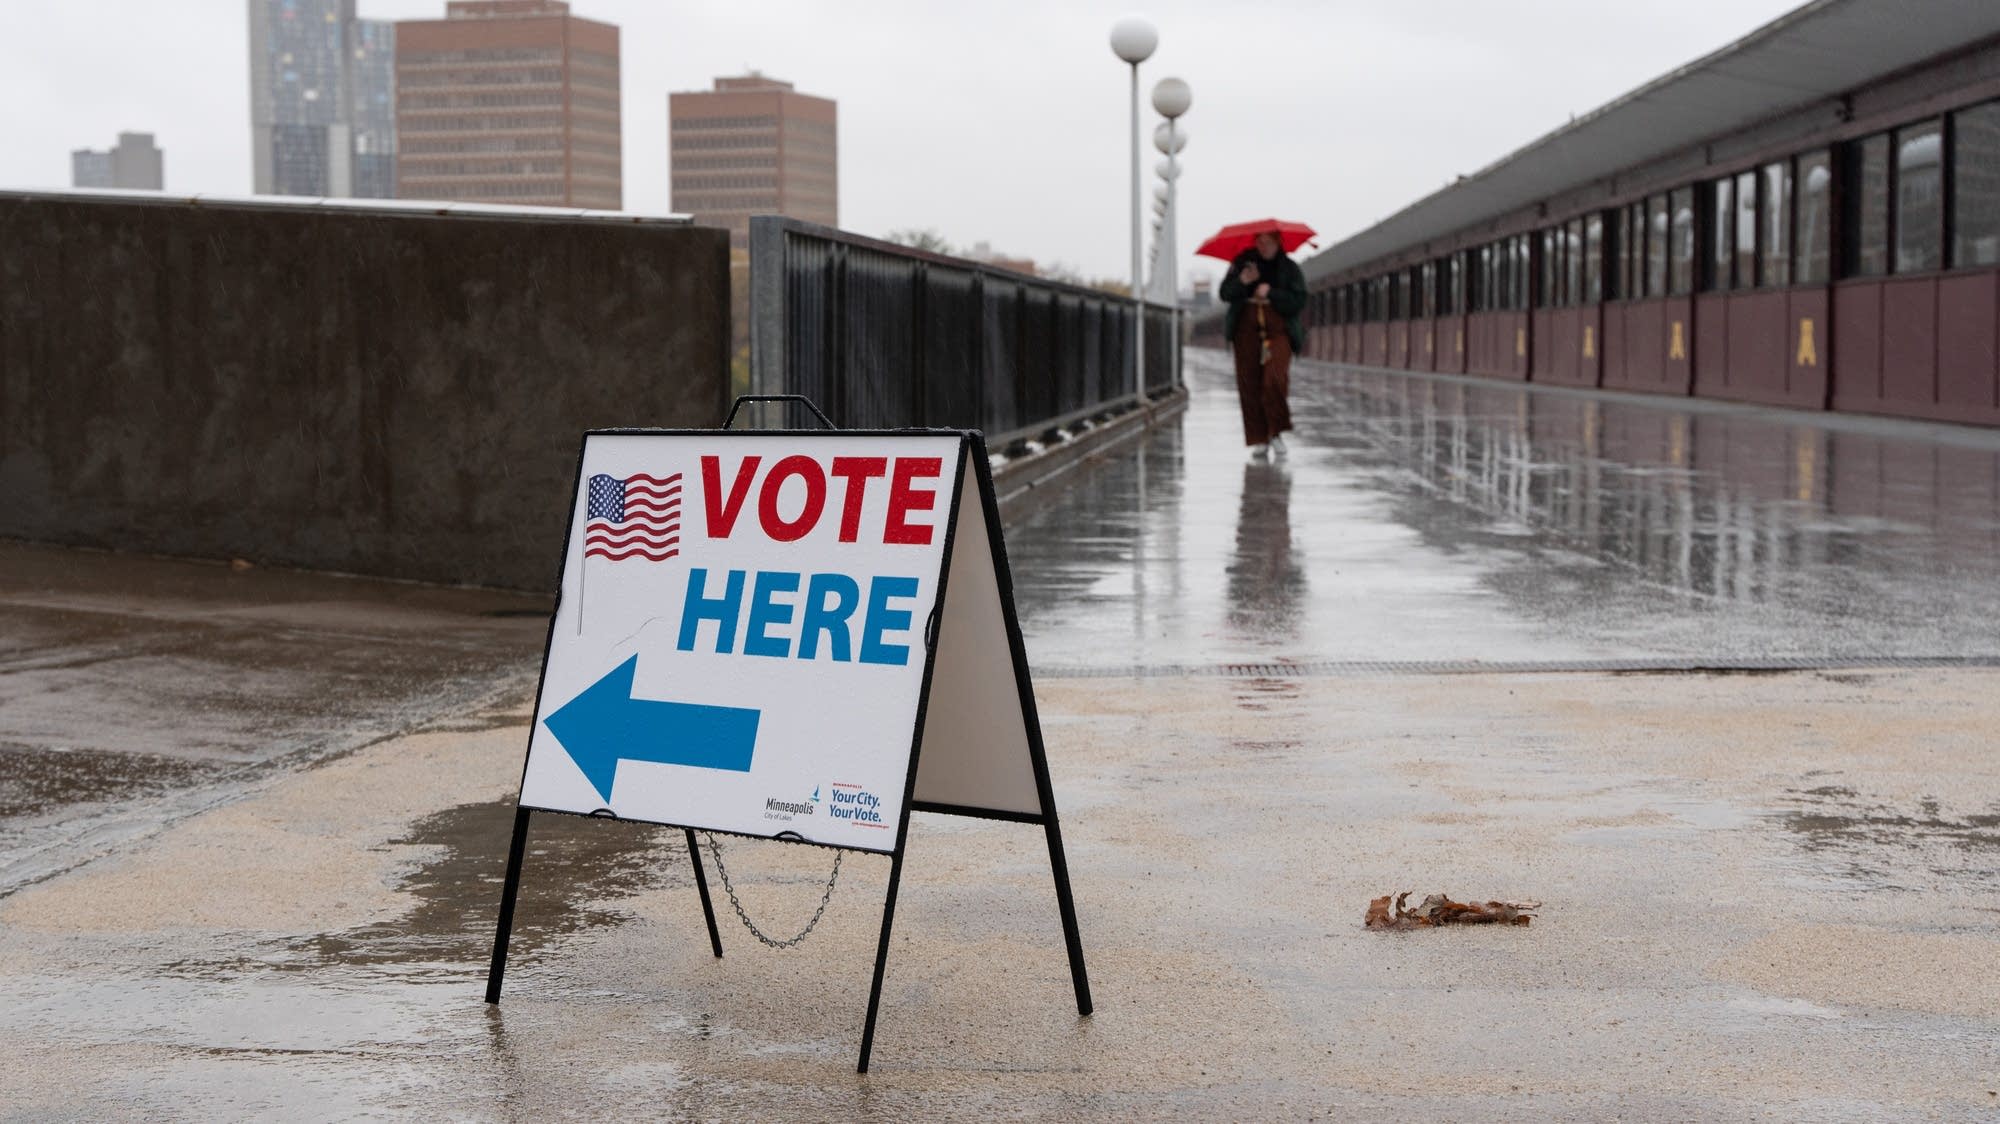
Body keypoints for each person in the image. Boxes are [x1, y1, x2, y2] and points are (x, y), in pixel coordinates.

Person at [1217, 230, 1307, 457]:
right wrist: (1242, 281)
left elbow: (1299, 300)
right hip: (1246, 328)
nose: (1264, 247)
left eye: (1269, 242)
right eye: (1260, 242)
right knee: (1249, 383)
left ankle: (1275, 432)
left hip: (1277, 329)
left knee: (1274, 379)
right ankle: (1259, 437)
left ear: (1278, 243)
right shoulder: (1241, 264)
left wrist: (1272, 293)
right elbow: (1225, 293)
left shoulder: (1289, 268)